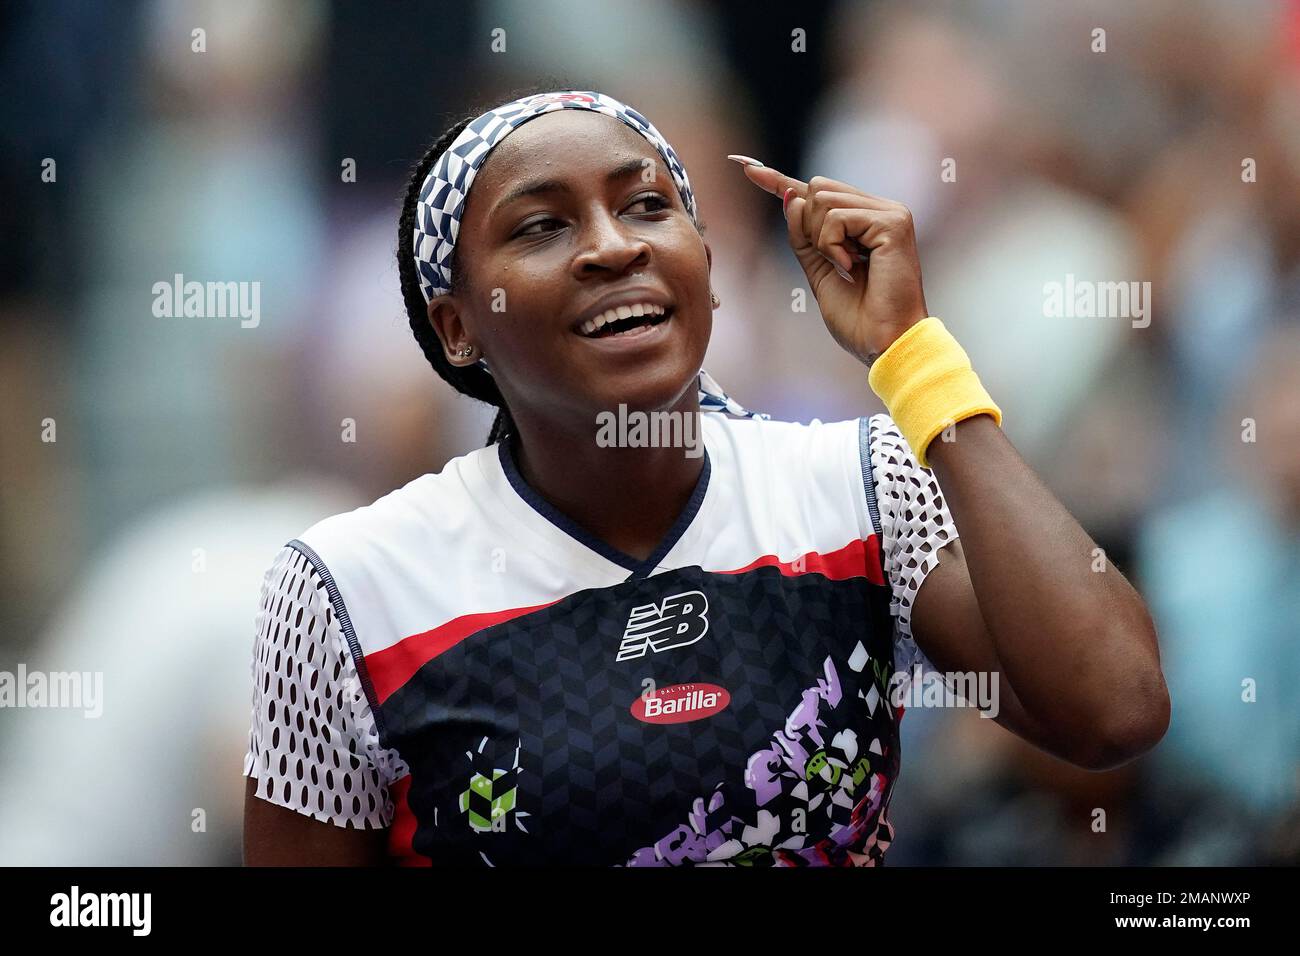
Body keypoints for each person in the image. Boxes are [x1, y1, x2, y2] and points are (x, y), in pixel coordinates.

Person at [241, 88, 1169, 866]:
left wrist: (914, 356)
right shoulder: (347, 587)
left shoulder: (857, 481)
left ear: (708, 270)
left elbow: (1112, 708)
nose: (613, 246)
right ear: (457, 327)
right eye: (542, 226)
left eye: (648, 206)